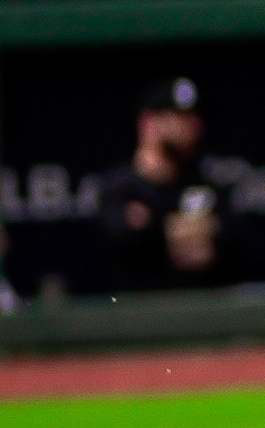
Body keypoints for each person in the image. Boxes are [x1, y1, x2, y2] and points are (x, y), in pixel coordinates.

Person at [91, 77, 246, 293]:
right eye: (179, 117)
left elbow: (231, 241)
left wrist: (158, 227)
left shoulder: (208, 184)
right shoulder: (119, 187)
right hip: (140, 318)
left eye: (195, 117)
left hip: (203, 316)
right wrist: (189, 231)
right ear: (149, 122)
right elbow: (127, 243)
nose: (193, 126)